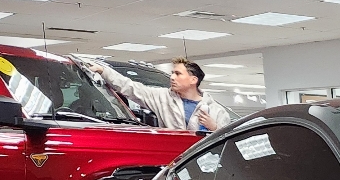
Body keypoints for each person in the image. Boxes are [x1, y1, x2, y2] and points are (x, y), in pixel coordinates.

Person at [81, 57, 232, 135]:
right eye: (172, 73)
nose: (172, 77)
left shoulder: (217, 111)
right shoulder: (162, 98)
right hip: (173, 161)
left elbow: (228, 141)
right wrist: (103, 71)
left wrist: (214, 127)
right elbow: (130, 87)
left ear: (193, 80)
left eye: (178, 74)